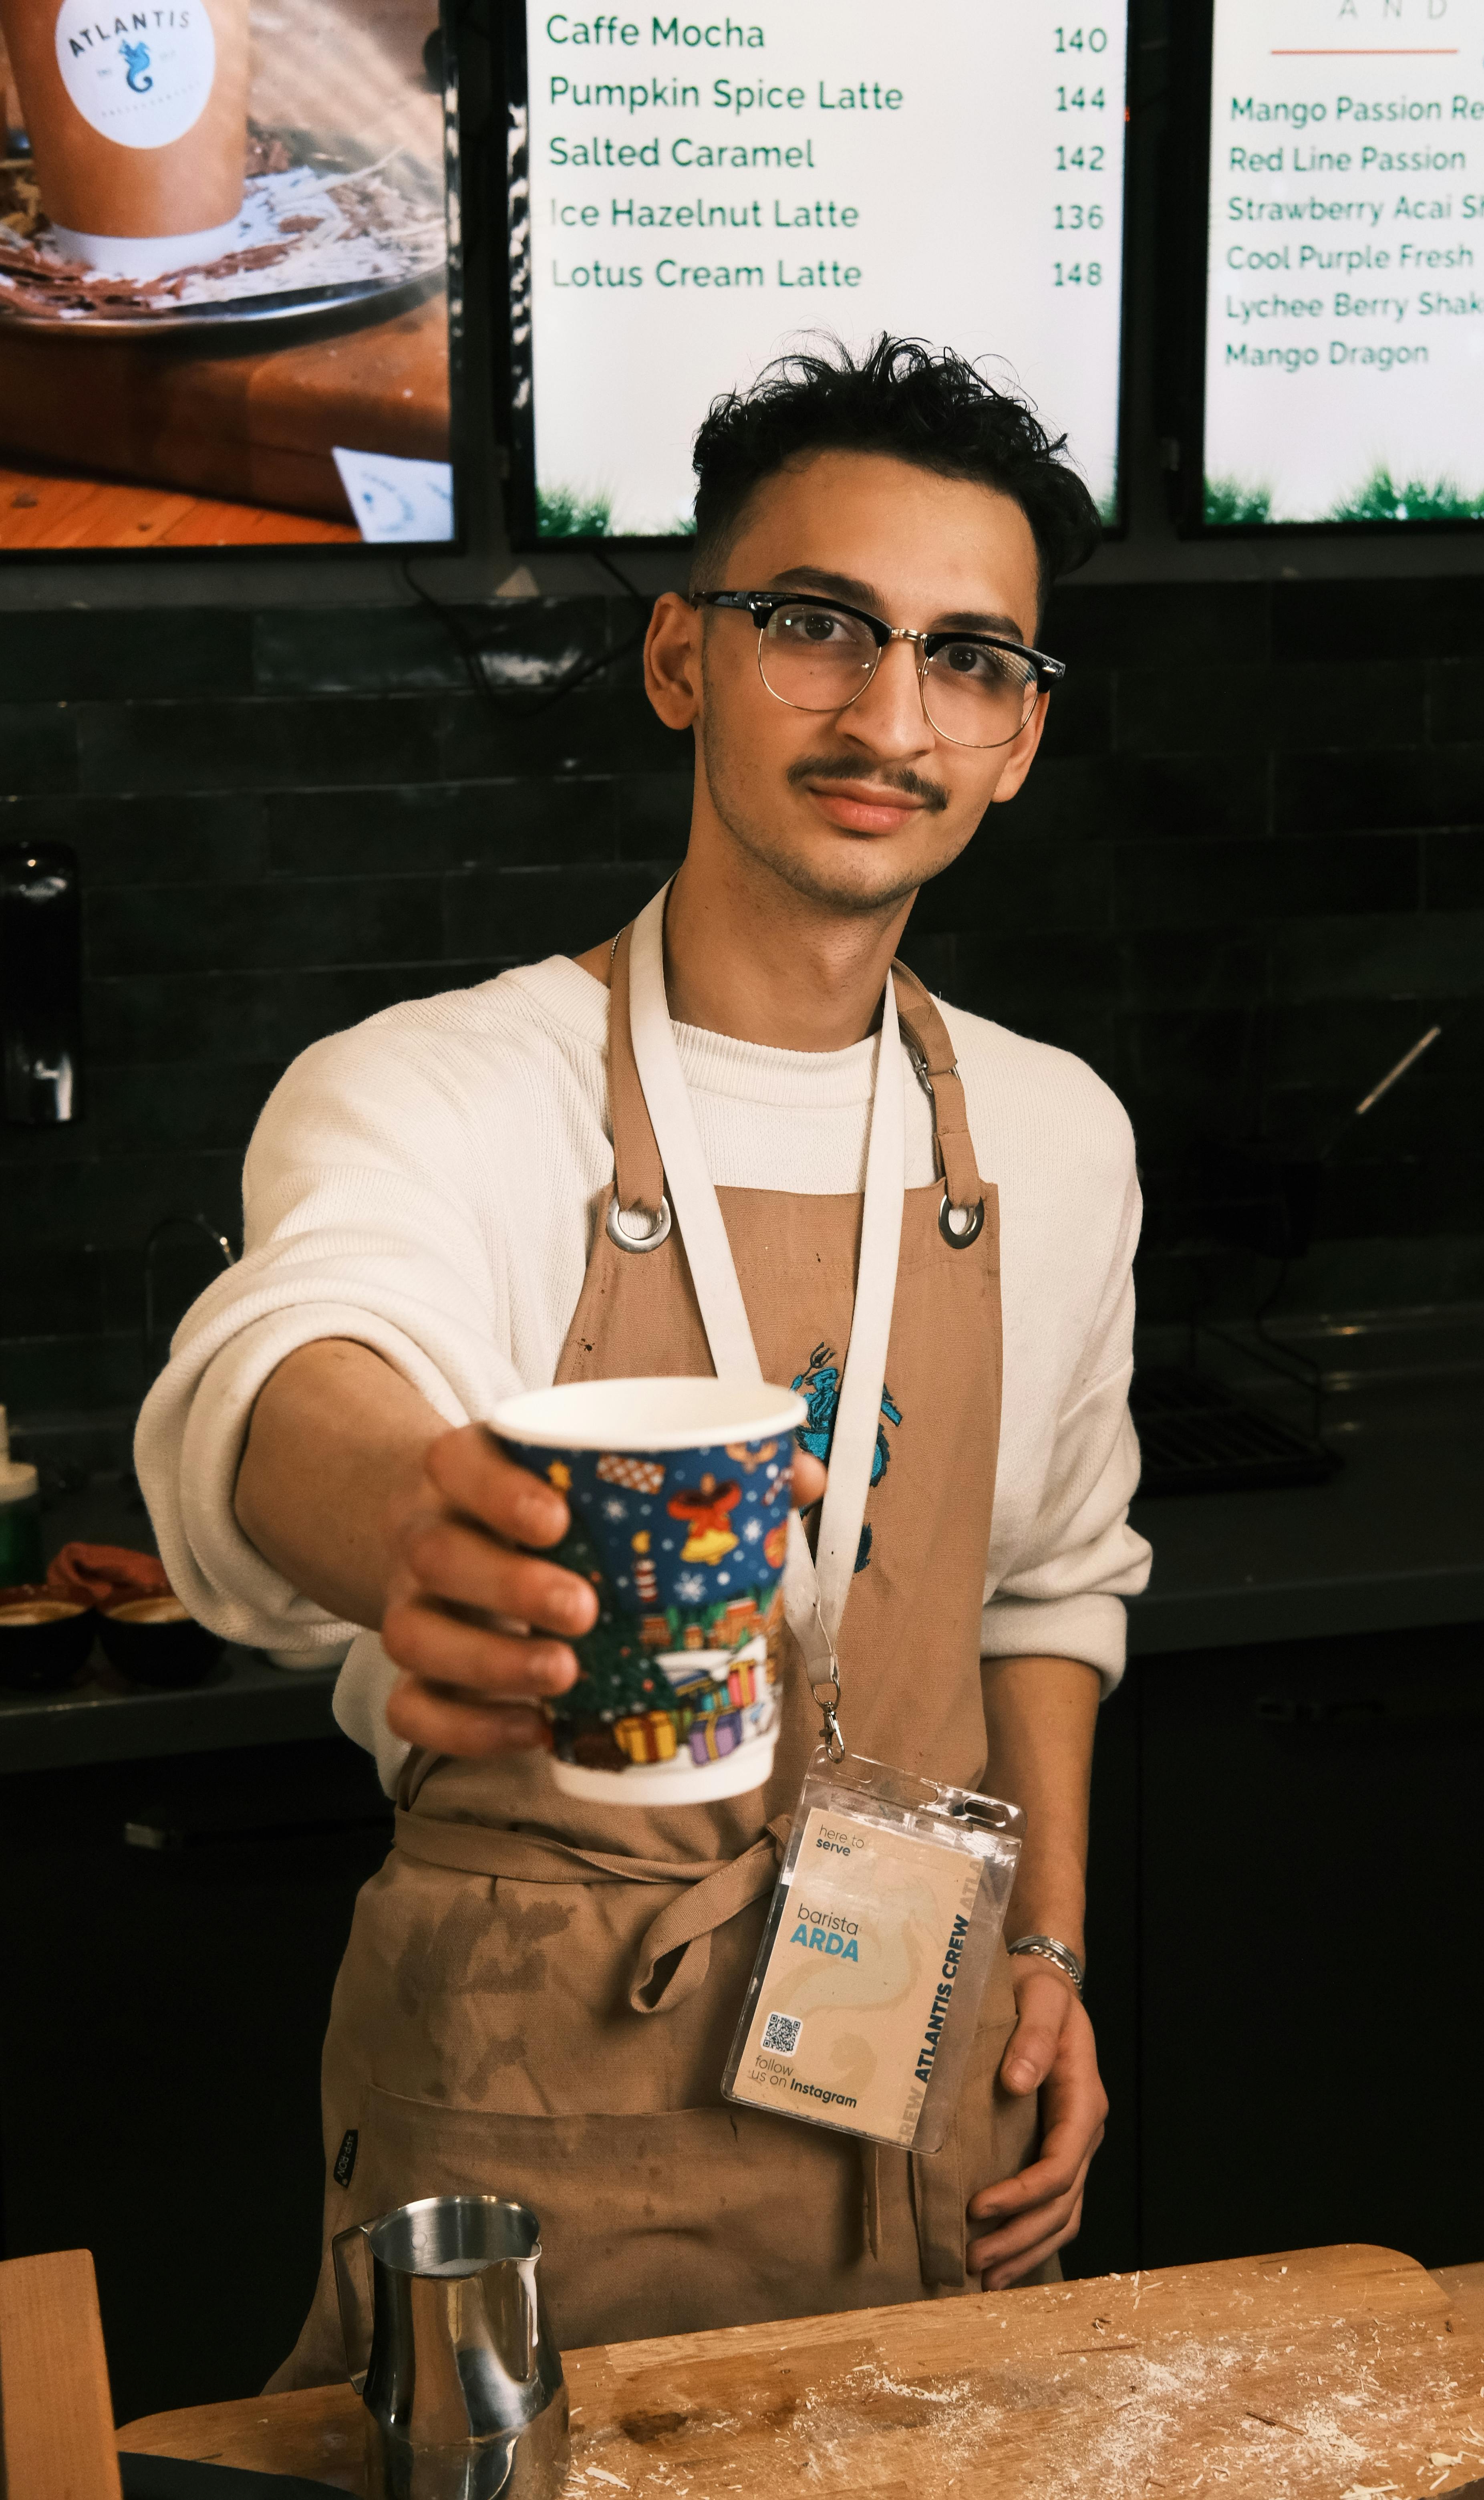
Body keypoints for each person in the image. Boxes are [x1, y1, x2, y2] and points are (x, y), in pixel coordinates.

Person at [136, 335, 1150, 2371]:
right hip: (530, 2077)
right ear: (680, 658)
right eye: (815, 627)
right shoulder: (447, 1087)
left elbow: (1048, 1581)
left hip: (917, 2046)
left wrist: (1043, 1943)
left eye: (969, 660)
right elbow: (289, 1358)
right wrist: (417, 1516)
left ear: (1019, 737)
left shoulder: (1052, 1131)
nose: (887, 717)